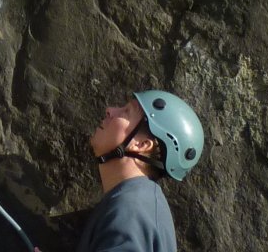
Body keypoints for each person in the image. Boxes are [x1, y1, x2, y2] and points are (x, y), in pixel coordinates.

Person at [75, 90, 204, 252]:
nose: (110, 110)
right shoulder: (139, 204)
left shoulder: (130, 213)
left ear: (142, 145)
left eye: (126, 112)